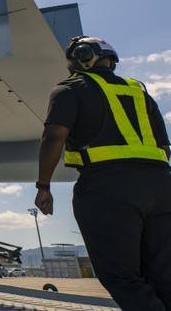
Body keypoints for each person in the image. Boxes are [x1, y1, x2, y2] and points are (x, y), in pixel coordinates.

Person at [34, 36, 171, 311]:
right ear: (112, 59)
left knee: (122, 276)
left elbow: (54, 136)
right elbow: (164, 146)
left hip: (107, 187)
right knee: (164, 275)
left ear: (82, 57)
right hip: (162, 184)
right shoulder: (139, 91)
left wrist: (43, 185)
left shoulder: (69, 89)